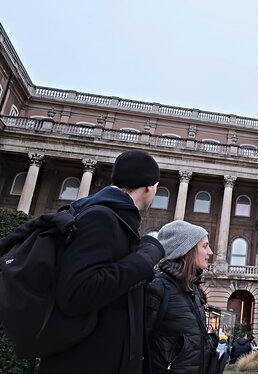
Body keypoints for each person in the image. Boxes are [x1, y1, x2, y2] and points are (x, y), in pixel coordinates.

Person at [37, 149, 165, 374]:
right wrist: (145, 258)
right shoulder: (101, 217)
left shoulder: (112, 217)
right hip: (85, 362)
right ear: (149, 186)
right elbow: (77, 292)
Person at [145, 220, 217, 373]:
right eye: (204, 246)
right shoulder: (158, 287)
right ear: (186, 249)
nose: (210, 252)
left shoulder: (194, 290)